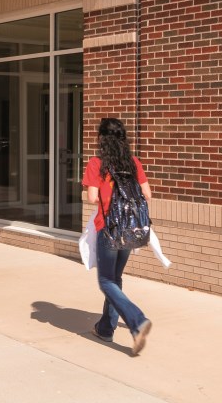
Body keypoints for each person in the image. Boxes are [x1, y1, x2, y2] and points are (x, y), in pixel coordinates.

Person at [82, 116, 153, 356]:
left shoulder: (96, 163)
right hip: (131, 229)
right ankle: (105, 328)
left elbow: (92, 198)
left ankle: (137, 320)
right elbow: (147, 193)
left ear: (102, 138)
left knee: (106, 281)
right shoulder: (134, 162)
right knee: (116, 279)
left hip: (109, 228)